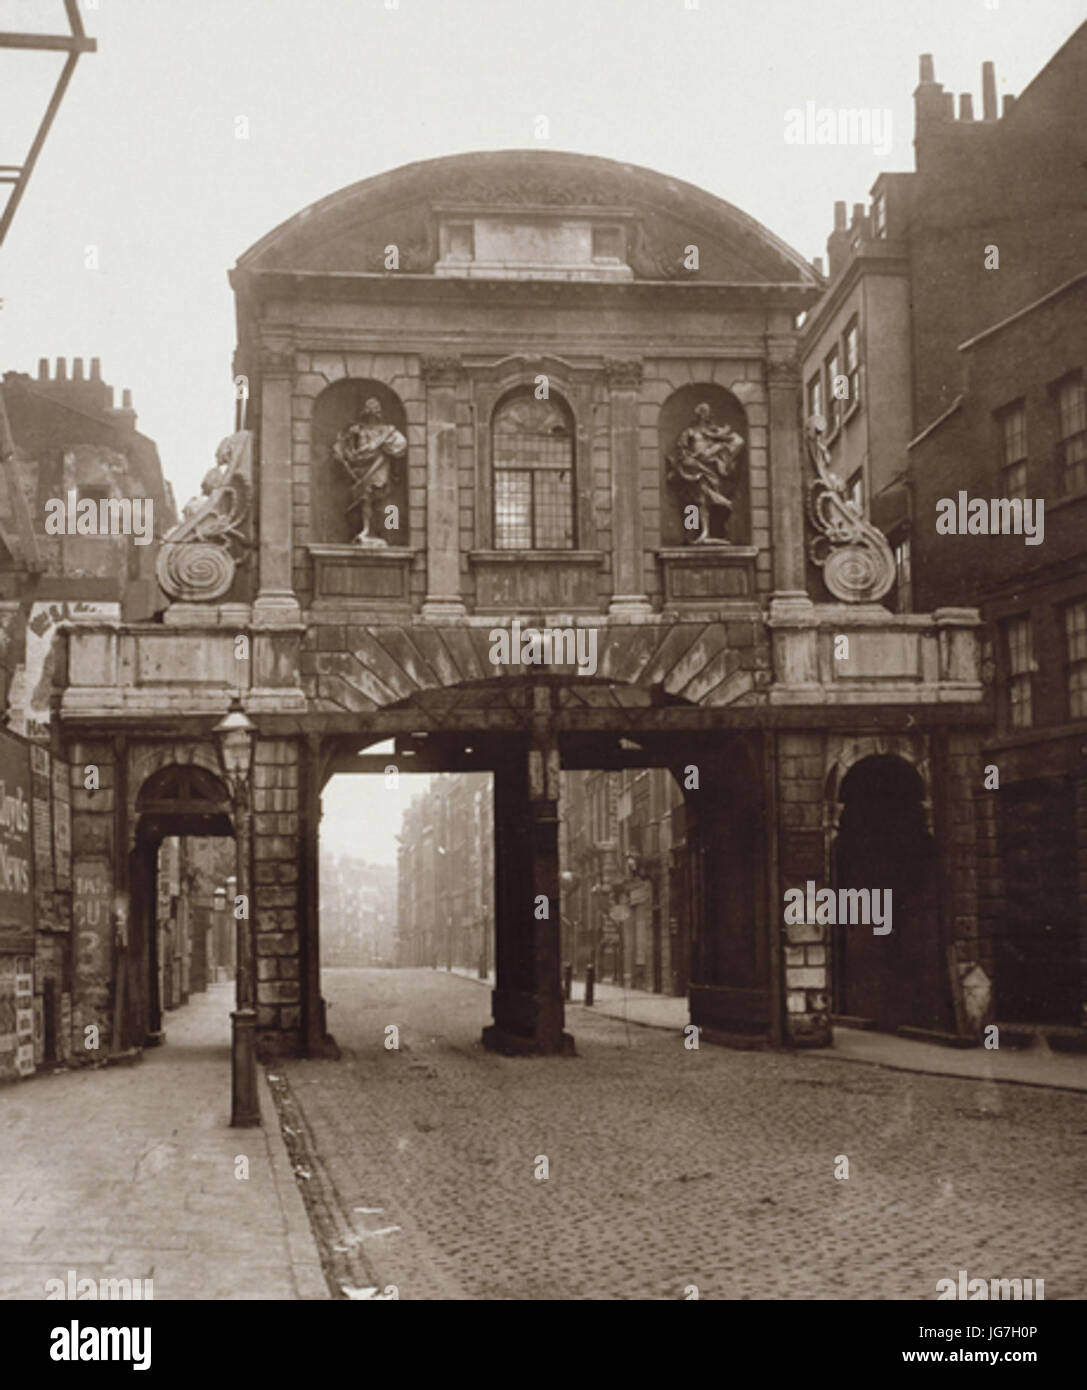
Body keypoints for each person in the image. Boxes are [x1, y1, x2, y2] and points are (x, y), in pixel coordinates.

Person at [332, 399, 407, 544]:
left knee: (380, 500)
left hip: (379, 467)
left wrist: (384, 446)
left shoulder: (387, 431)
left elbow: (401, 445)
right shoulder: (357, 430)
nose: (372, 414)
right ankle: (366, 530)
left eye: (375, 410)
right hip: (361, 468)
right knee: (364, 498)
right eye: (369, 410)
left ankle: (382, 530)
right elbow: (346, 449)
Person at [667, 402, 745, 543]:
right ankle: (692, 533)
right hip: (696, 469)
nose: (704, 414)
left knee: (714, 502)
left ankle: (715, 532)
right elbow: (682, 450)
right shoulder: (689, 432)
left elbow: (738, 441)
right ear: (697, 414)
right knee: (694, 501)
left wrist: (720, 443)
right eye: (702, 411)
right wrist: (690, 460)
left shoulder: (715, 432)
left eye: (706, 412)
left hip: (714, 470)